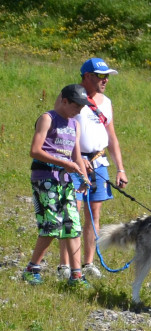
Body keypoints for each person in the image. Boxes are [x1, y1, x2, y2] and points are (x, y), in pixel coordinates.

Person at [25, 85, 91, 287]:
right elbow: (35, 150)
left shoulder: (75, 125)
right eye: (76, 106)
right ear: (64, 101)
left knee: (72, 225)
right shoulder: (48, 119)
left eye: (82, 107)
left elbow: (76, 156)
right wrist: (65, 164)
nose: (79, 111)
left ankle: (76, 275)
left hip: (66, 180)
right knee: (52, 225)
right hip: (45, 177)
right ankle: (32, 269)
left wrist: (85, 178)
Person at [74, 57, 128, 278]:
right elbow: (66, 130)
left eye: (107, 76)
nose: (105, 80)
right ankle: (69, 265)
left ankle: (88, 263)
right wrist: (77, 159)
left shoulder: (106, 102)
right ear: (87, 77)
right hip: (75, 163)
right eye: (100, 76)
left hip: (98, 162)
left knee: (94, 213)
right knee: (73, 213)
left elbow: (111, 135)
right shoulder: (72, 97)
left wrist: (120, 168)